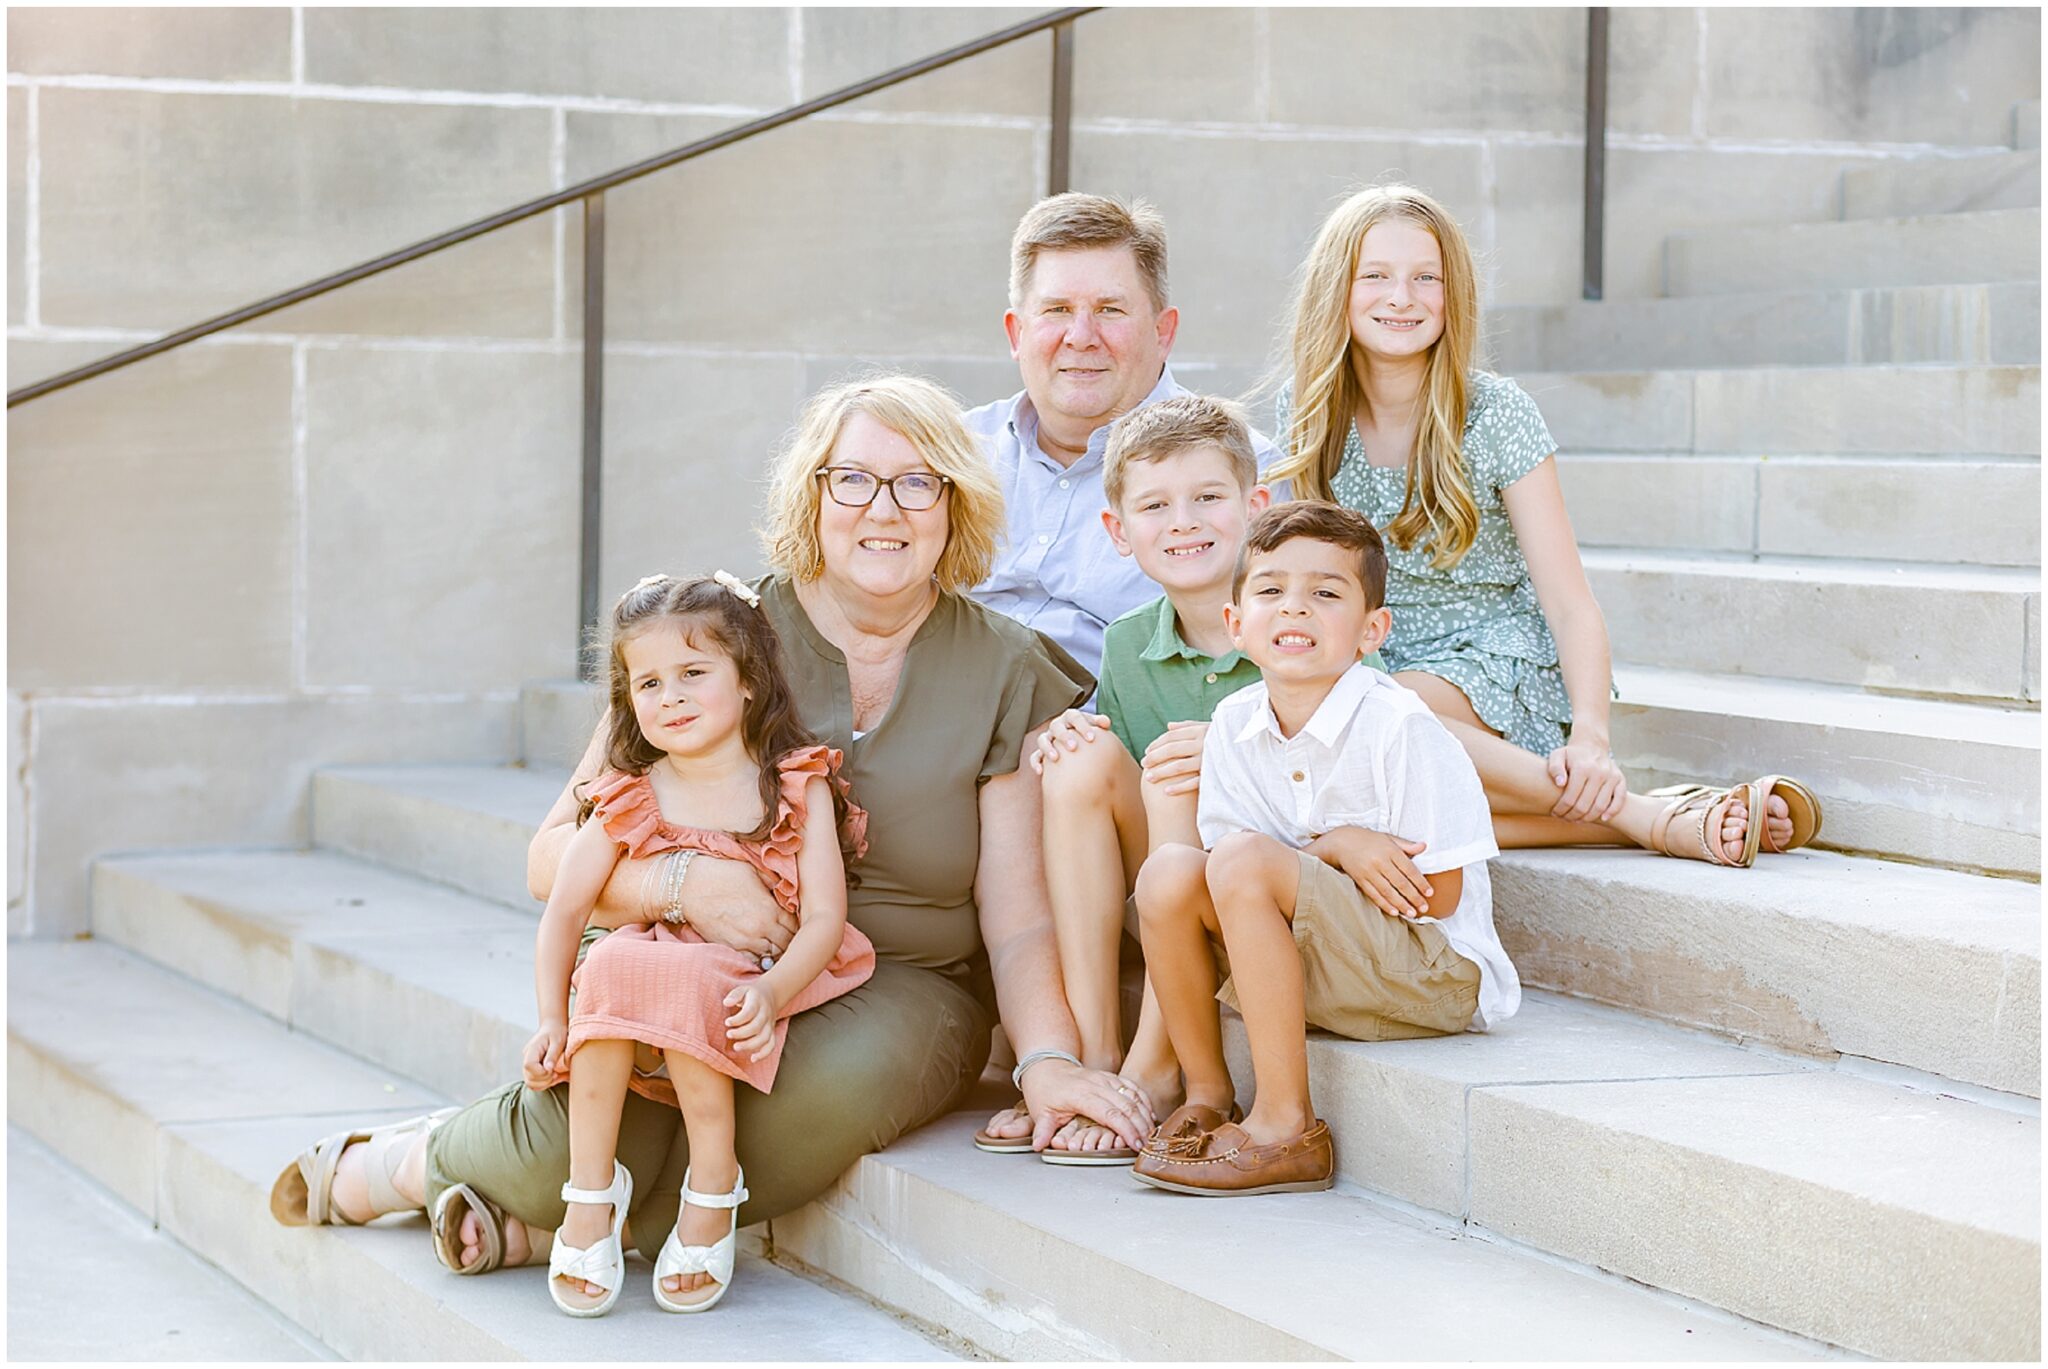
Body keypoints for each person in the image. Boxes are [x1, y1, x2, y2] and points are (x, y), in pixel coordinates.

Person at [268, 376, 1153, 1281]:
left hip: (901, 982)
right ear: (812, 496)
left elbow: (1017, 916)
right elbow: (550, 858)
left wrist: (1046, 1060)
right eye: (853, 478)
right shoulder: (713, 636)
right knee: (572, 1141)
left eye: (918, 482)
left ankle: (549, 1224)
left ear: (955, 503)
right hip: (689, 956)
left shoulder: (1004, 665)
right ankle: (418, 1158)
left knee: (790, 1115)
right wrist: (683, 885)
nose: (884, 509)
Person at [1266, 184, 1819, 876]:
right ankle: (1643, 817)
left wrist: (1591, 737)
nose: (1401, 297)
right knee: (1379, 787)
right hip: (1372, 663)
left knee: (1379, 712)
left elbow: (1568, 602)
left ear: (1453, 293)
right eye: (1375, 275)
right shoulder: (1307, 411)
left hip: (1495, 661)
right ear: (1336, 290)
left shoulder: (1496, 413)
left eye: (1425, 278)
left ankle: (1636, 811)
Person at [1023, 394, 1392, 1163]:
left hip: (1275, 898)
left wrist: (1227, 756)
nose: (1183, 522)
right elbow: (1117, 805)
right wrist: (1070, 733)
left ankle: (1159, 1065)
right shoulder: (1128, 644)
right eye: (1155, 505)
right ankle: (1097, 1056)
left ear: (1256, 509)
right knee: (1082, 754)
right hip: (1169, 902)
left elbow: (1363, 792)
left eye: (1208, 498)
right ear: (1118, 531)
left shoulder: (1308, 631)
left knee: (1184, 769)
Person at [1131, 502, 1513, 1196]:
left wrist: (1320, 857)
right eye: (1271, 589)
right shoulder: (1233, 723)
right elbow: (1226, 884)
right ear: (1236, 623)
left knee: (1241, 860)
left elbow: (1441, 897)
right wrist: (1336, 846)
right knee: (1167, 875)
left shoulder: (1401, 726)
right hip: (1322, 967)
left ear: (1373, 630)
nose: (1294, 608)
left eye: (1326, 593)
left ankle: (1287, 1125)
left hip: (1429, 976)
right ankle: (1208, 1092)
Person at [526, 572, 873, 1315]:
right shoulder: (630, 792)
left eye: (693, 673)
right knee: (613, 959)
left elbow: (823, 920)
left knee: (689, 975)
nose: (671, 697)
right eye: (649, 683)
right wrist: (552, 1016)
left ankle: (714, 1180)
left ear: (748, 680)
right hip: (639, 974)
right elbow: (565, 909)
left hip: (747, 977)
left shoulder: (794, 785)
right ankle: (590, 1188)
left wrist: (773, 991)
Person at [965, 192, 1282, 680]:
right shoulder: (953, 451)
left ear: (1163, 332)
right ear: (1016, 334)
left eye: (1110, 309)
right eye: (1057, 309)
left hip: (1114, 721)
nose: (1081, 336)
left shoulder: (1246, 474)